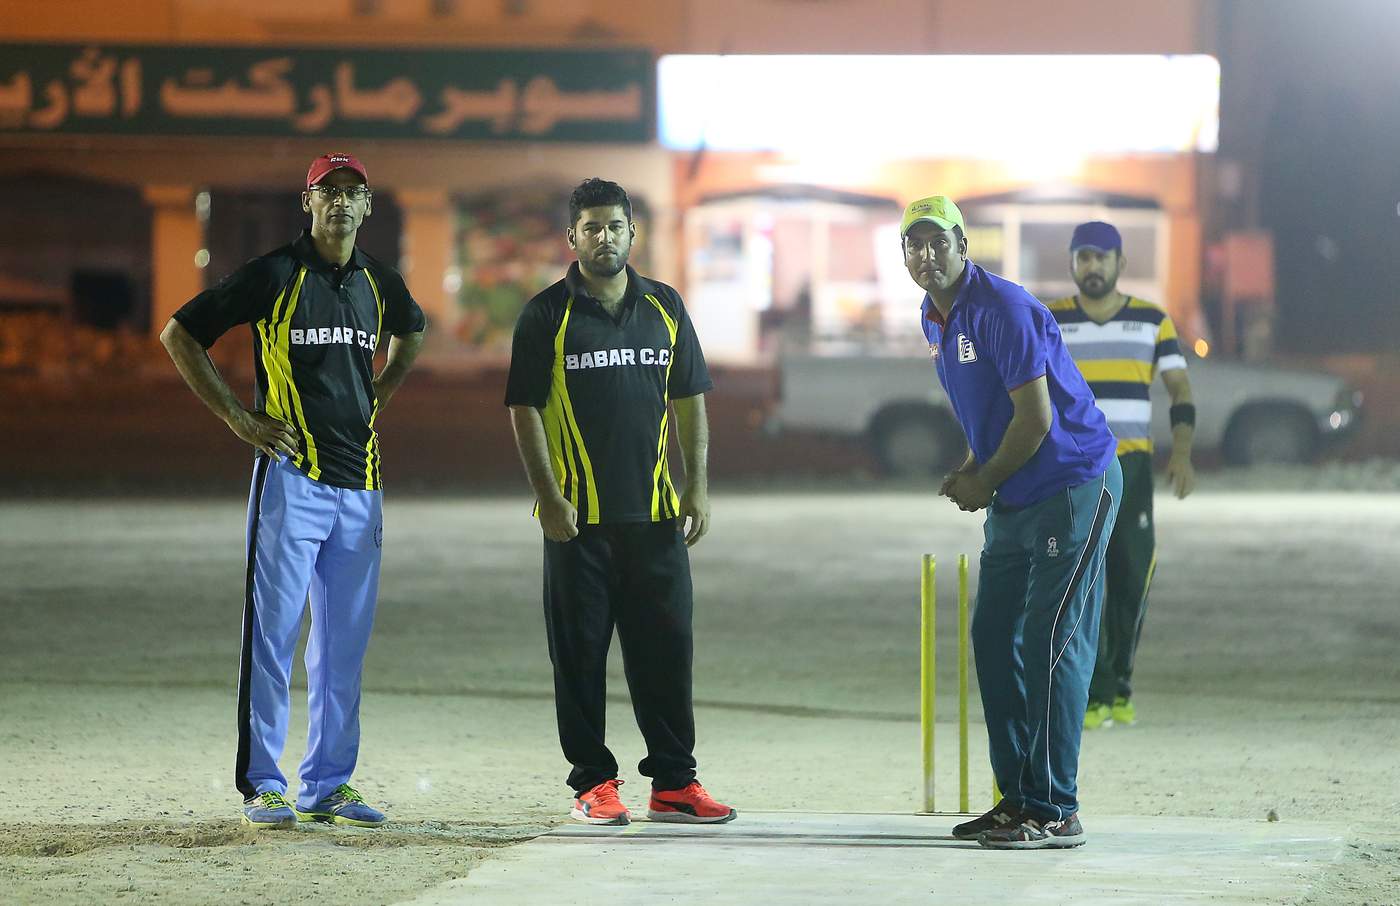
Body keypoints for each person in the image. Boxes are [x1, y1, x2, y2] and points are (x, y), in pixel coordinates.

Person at [160, 153, 426, 829]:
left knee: (341, 647)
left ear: (368, 206)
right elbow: (180, 333)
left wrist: (381, 390)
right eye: (327, 191)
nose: (340, 202)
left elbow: (412, 330)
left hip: (361, 484)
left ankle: (328, 784)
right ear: (307, 202)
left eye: (353, 192)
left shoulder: (379, 282)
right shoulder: (275, 274)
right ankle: (263, 784)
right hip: (291, 479)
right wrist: (237, 417)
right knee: (273, 637)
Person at [504, 177, 734, 826]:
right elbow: (524, 410)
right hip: (578, 524)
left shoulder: (665, 305)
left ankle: (674, 784)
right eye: (591, 228)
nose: (604, 238)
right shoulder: (546, 315)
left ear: (634, 232)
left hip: (656, 520)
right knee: (579, 660)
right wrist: (548, 498)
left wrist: (697, 484)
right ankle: (593, 783)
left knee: (667, 655)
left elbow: (689, 398)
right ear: (572, 237)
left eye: (614, 226)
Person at [900, 195, 1121, 849]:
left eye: (939, 241)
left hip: (1071, 483)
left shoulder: (1004, 308)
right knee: (995, 636)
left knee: (1049, 639)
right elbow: (989, 409)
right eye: (914, 244)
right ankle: (1018, 799)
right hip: (1016, 493)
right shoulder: (934, 316)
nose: (927, 254)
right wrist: (974, 466)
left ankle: (1055, 807)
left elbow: (1036, 418)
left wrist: (985, 479)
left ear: (963, 246)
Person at [1047, 221, 1196, 730]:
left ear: (1120, 264)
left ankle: (1119, 685)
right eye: (1084, 257)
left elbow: (1180, 389)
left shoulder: (1152, 321)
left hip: (1131, 466)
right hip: (1072, 468)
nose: (1092, 266)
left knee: (1132, 576)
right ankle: (1089, 693)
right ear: (1072, 263)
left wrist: (1182, 454)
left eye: (1101, 257)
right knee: (1077, 581)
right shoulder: (1050, 321)